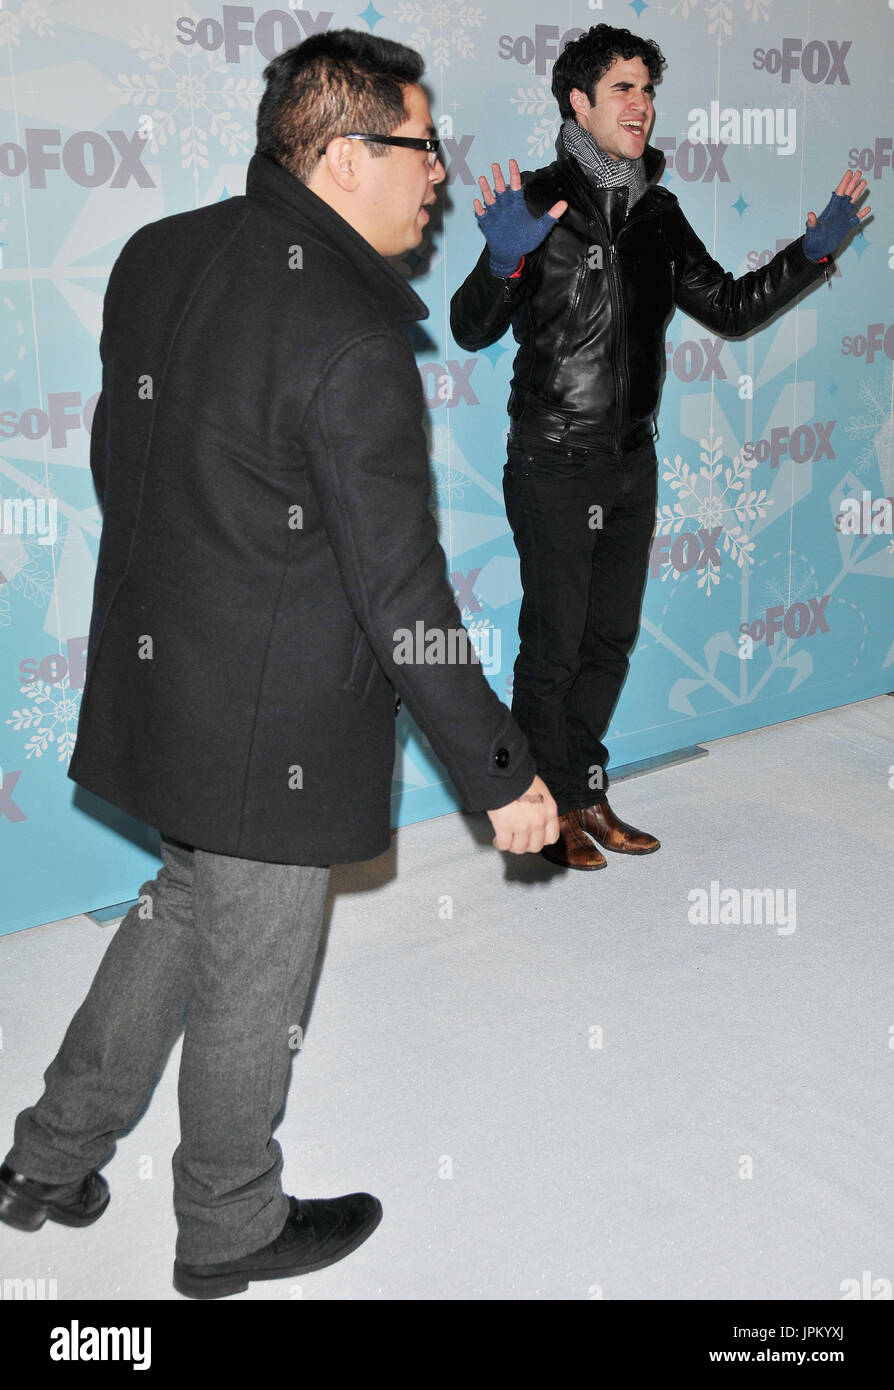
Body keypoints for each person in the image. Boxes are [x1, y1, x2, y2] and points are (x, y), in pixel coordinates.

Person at [0, 29, 558, 1299]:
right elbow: (404, 595)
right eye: (423, 146)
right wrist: (502, 770)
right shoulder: (351, 339)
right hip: (275, 728)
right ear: (348, 154)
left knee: (182, 905)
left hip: (164, 683)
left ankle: (48, 1159)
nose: (440, 175)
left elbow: (126, 471)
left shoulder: (160, 251)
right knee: (255, 967)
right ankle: (229, 1222)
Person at [450, 23, 869, 871]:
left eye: (649, 91)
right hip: (553, 458)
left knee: (608, 641)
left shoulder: (659, 213)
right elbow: (467, 328)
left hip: (629, 461)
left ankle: (583, 787)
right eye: (625, 90)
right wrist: (500, 266)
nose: (642, 107)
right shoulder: (533, 203)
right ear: (579, 100)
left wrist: (813, 252)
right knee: (553, 644)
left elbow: (734, 308)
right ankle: (549, 806)